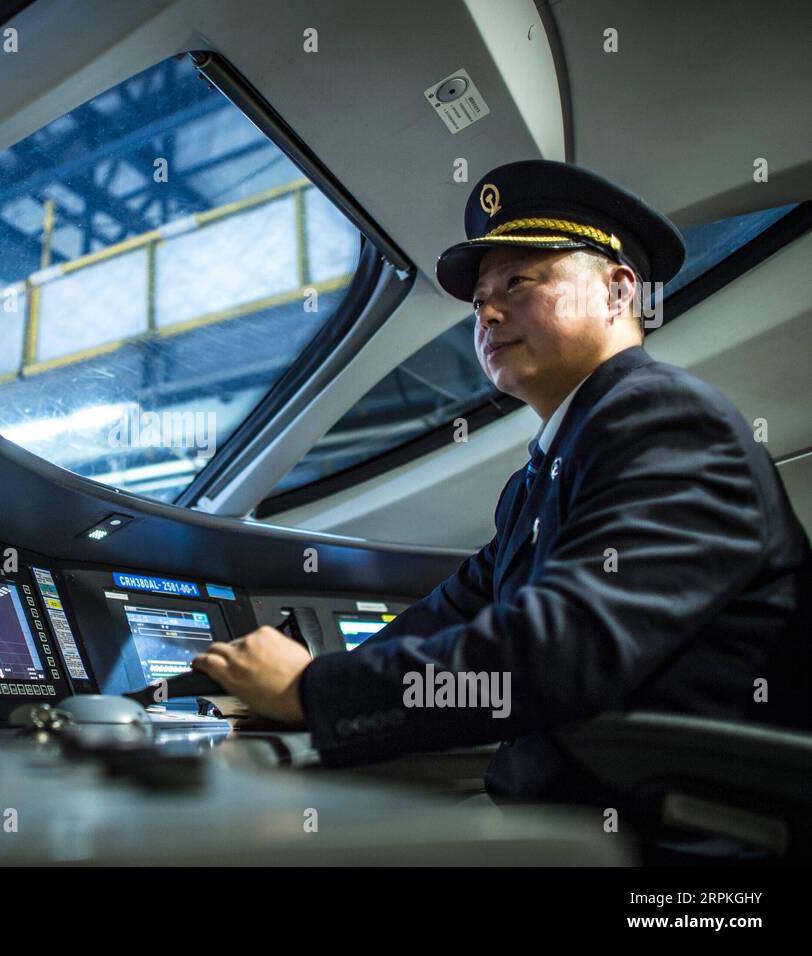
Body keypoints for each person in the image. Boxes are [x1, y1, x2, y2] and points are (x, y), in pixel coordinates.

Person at [192, 159, 812, 805]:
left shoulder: (664, 421)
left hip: (669, 844)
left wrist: (311, 693)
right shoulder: (539, 477)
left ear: (619, 291)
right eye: (479, 297)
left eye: (518, 281)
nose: (485, 311)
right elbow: (449, 614)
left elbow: (560, 652)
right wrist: (309, 685)